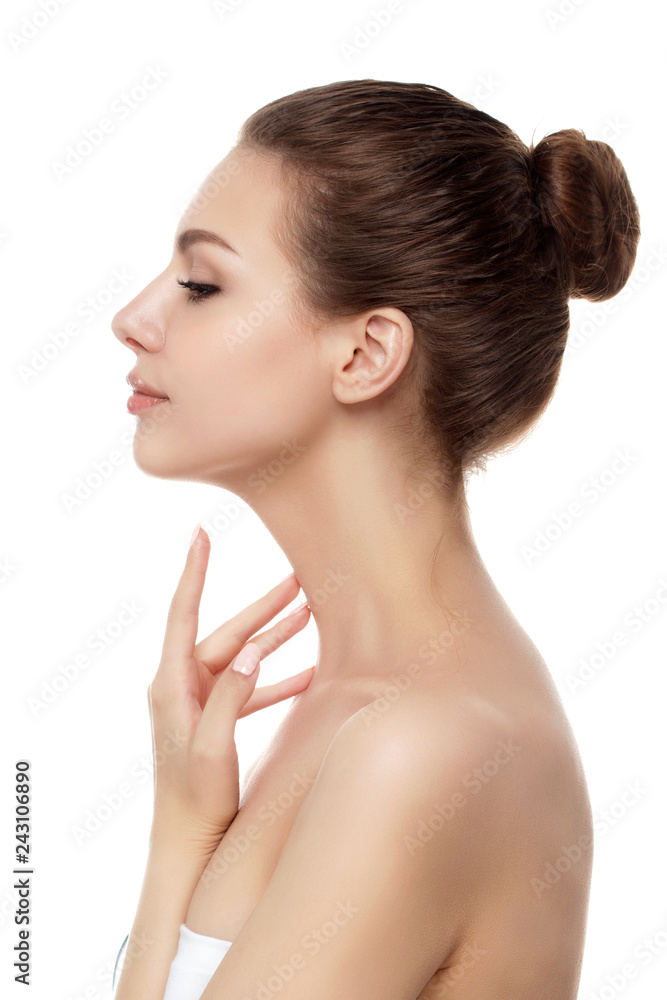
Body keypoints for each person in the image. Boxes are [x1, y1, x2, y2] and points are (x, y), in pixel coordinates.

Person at [109, 78, 640, 1000]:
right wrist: (179, 835)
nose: (135, 318)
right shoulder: (372, 708)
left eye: (201, 284)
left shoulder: (429, 743)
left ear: (364, 355)